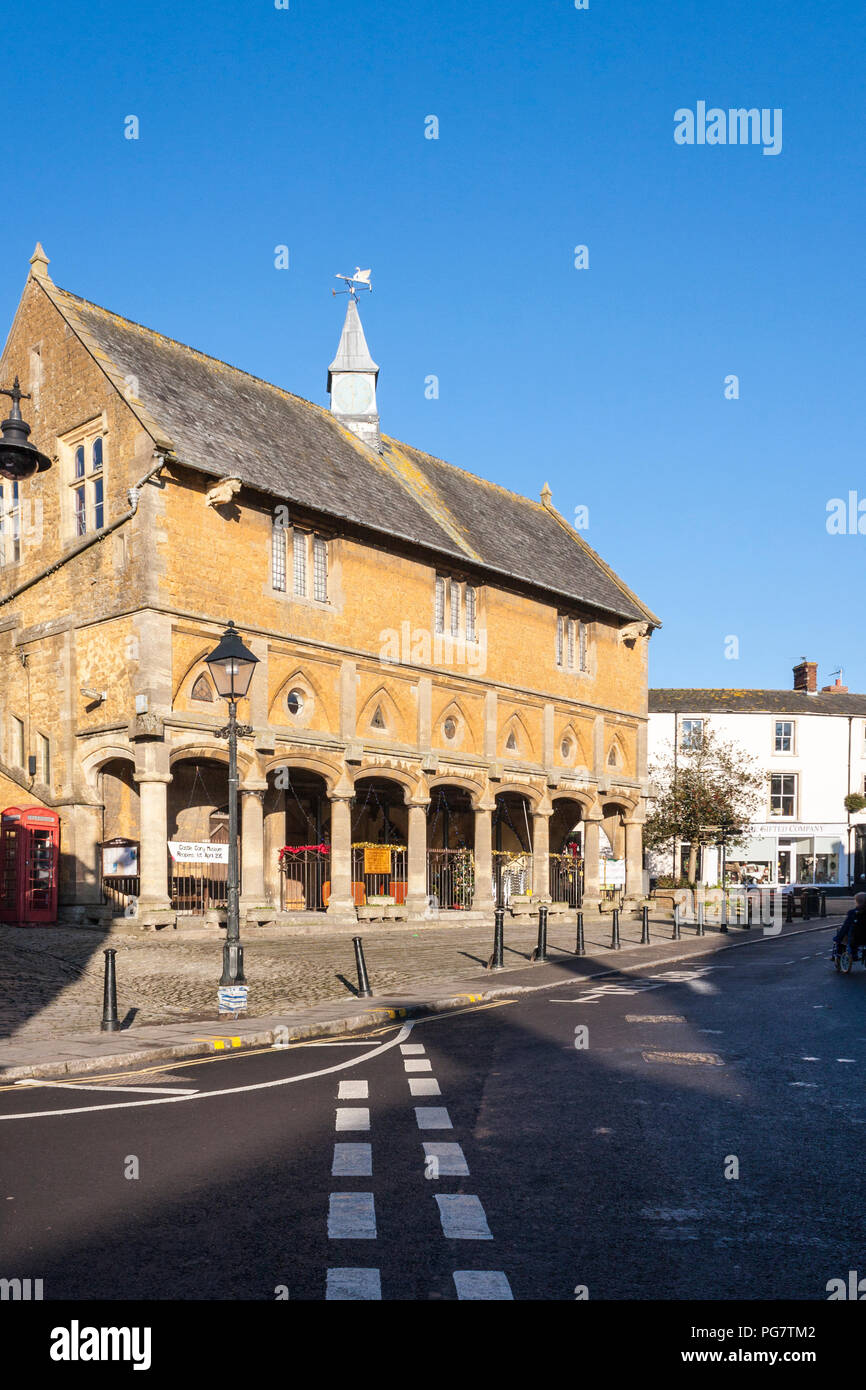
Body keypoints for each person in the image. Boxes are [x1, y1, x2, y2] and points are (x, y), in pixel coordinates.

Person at [834, 893, 866, 957]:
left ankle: (840, 953)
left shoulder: (852, 913)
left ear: (857, 902)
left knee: (841, 930)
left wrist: (838, 938)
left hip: (855, 939)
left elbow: (845, 926)